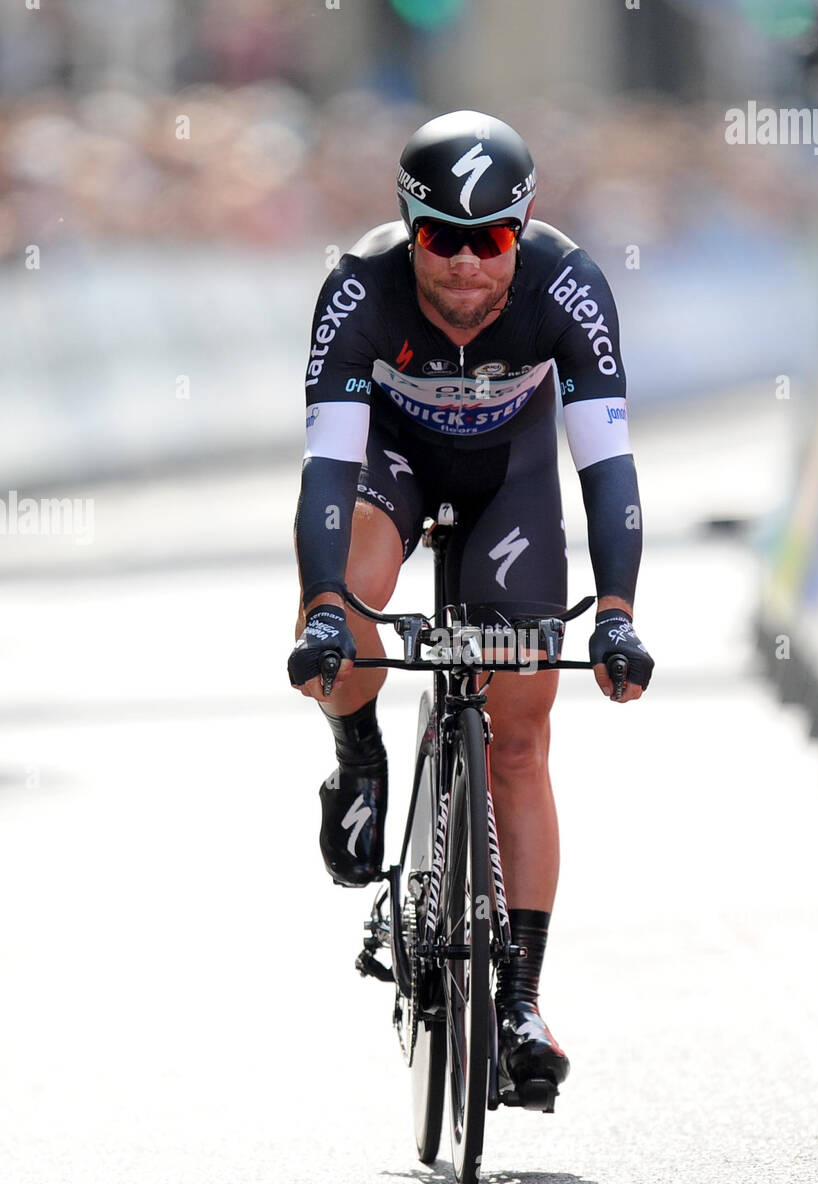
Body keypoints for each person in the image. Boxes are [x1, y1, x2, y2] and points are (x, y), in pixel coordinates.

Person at [288, 110, 653, 1103]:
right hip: (393, 463)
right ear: (408, 228)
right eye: (440, 238)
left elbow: (606, 466)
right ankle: (358, 754)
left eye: (489, 239)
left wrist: (614, 610)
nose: (463, 264)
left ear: (521, 229)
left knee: (522, 735)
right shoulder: (357, 292)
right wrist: (325, 607)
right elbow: (326, 470)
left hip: (510, 478)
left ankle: (523, 999)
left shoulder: (566, 287)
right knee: (347, 593)